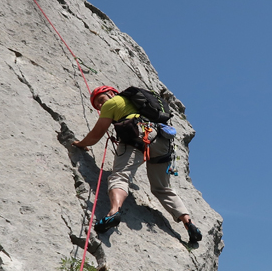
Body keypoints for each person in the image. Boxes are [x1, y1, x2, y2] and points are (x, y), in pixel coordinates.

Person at [72, 84, 204, 244]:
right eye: (97, 105)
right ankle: (189, 223)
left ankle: (113, 212)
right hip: (163, 140)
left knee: (120, 176)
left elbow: (96, 135)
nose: (100, 105)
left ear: (111, 93)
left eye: (100, 100)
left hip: (138, 134)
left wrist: (79, 144)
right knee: (162, 188)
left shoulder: (112, 103)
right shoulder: (139, 102)